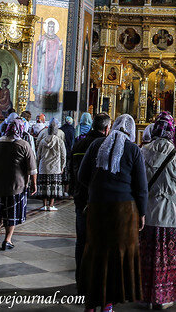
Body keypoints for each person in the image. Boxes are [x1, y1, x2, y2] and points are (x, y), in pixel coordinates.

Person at [77, 114, 148, 310]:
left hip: (97, 207)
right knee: (116, 256)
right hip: (123, 211)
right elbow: (141, 187)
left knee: (95, 252)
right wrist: (142, 212)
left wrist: (96, 189)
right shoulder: (134, 150)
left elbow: (81, 175)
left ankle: (90, 302)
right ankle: (108, 303)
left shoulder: (96, 145)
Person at [139, 113, 176, 308]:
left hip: (147, 213)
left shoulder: (143, 151)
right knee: (168, 258)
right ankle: (164, 297)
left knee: (147, 257)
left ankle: (147, 296)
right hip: (172, 214)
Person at [0, 117, 37, 250]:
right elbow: (32, 168)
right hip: (17, 185)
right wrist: (34, 184)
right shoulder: (23, 144)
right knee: (12, 214)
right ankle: (7, 240)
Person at [72, 112, 110, 289]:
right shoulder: (106, 145)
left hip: (80, 197)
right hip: (100, 199)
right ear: (107, 128)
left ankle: (81, 279)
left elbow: (72, 170)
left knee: (82, 240)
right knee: (99, 240)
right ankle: (96, 282)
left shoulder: (80, 142)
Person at [37, 118, 68, 211]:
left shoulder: (42, 141)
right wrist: (63, 166)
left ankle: (44, 205)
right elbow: (63, 155)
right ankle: (51, 205)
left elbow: (38, 155)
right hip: (55, 166)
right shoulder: (59, 141)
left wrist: (38, 164)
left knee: (44, 186)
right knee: (53, 186)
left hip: (44, 166)